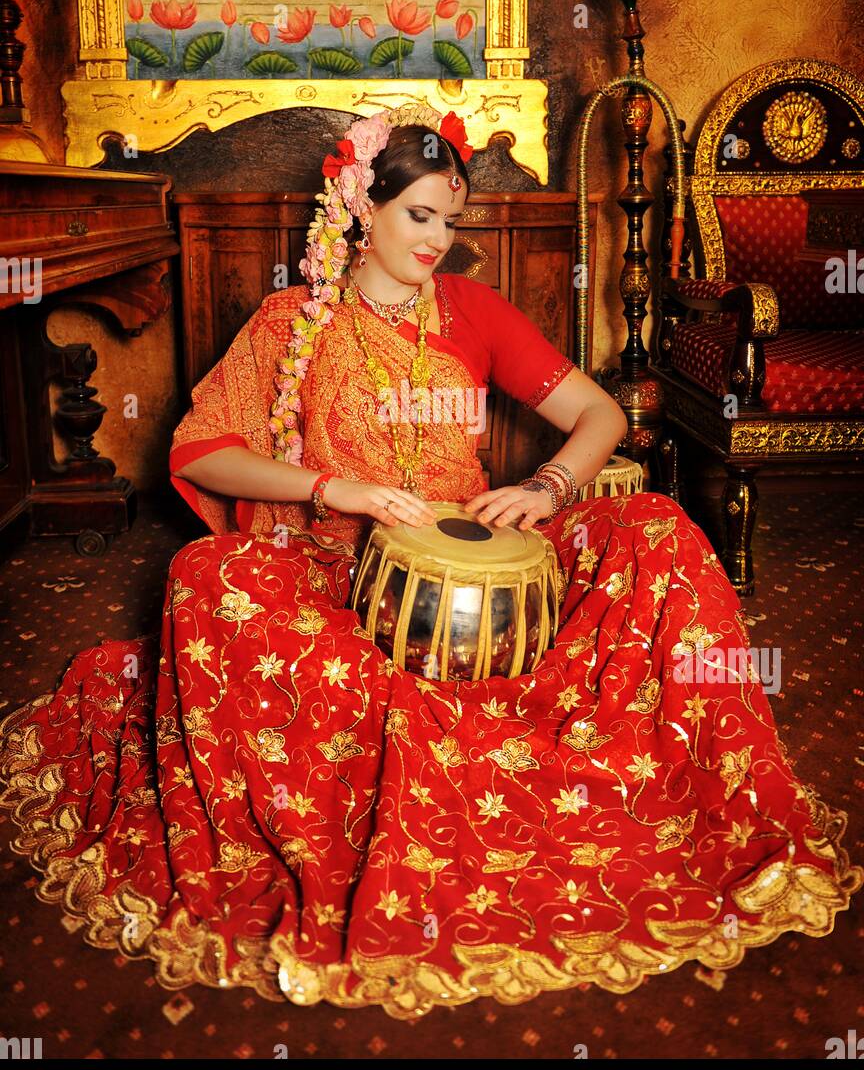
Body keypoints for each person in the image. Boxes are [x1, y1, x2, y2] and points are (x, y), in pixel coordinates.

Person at [0, 104, 859, 1022]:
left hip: (488, 556)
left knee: (655, 525)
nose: (439, 240)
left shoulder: (474, 311)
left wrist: (552, 487)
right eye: (420, 216)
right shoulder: (294, 321)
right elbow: (202, 451)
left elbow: (599, 416)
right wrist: (338, 491)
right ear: (361, 210)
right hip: (333, 567)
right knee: (207, 579)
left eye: (450, 221)